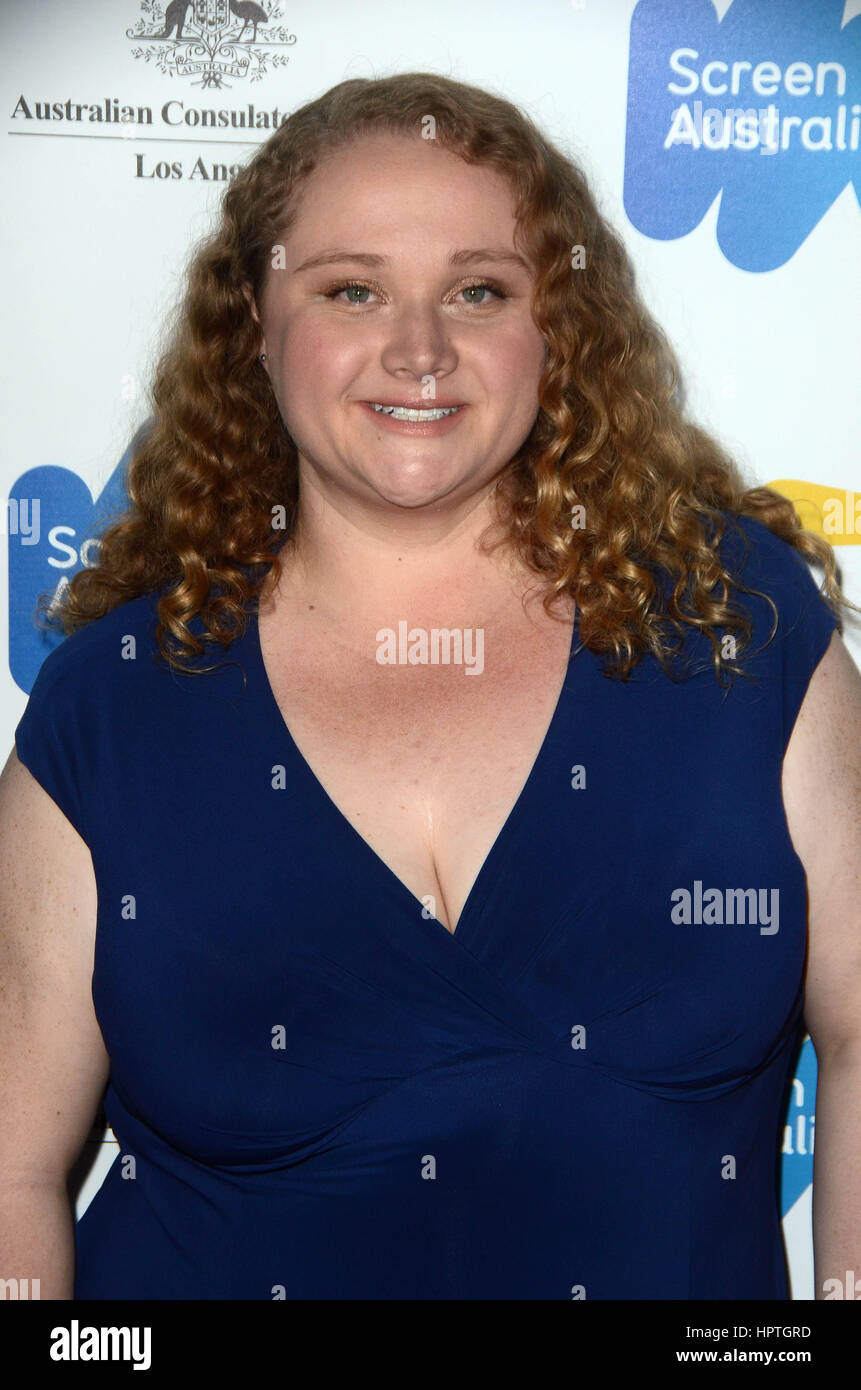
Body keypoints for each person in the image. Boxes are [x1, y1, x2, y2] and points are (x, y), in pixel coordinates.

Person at [1, 71, 860, 1301]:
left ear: (554, 324)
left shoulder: (740, 632)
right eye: (351, 289)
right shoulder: (114, 707)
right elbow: (10, 1172)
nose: (418, 349)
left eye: (479, 290)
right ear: (253, 319)